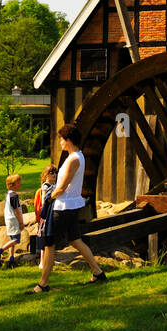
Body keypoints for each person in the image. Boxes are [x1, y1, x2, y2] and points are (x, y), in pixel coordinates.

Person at [25, 124, 107, 295]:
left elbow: (61, 187)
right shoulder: (77, 156)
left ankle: (43, 284)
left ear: (68, 140)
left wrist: (49, 197)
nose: (60, 142)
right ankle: (98, 273)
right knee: (75, 240)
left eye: (62, 139)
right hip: (70, 205)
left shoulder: (74, 159)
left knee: (49, 243)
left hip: (63, 207)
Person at [32, 165, 58, 261]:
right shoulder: (45, 186)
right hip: (46, 214)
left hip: (53, 212)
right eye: (51, 173)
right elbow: (44, 200)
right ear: (46, 174)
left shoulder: (55, 184)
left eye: (55, 172)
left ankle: (50, 259)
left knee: (51, 237)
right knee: (44, 237)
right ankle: (42, 261)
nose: (54, 174)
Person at [0, 173, 25, 268]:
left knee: (12, 239)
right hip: (14, 219)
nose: (20, 184)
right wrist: (21, 222)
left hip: (8, 219)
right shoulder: (14, 196)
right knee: (16, 240)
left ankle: (11, 257)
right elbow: (17, 210)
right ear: (12, 184)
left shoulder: (8, 194)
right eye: (18, 182)